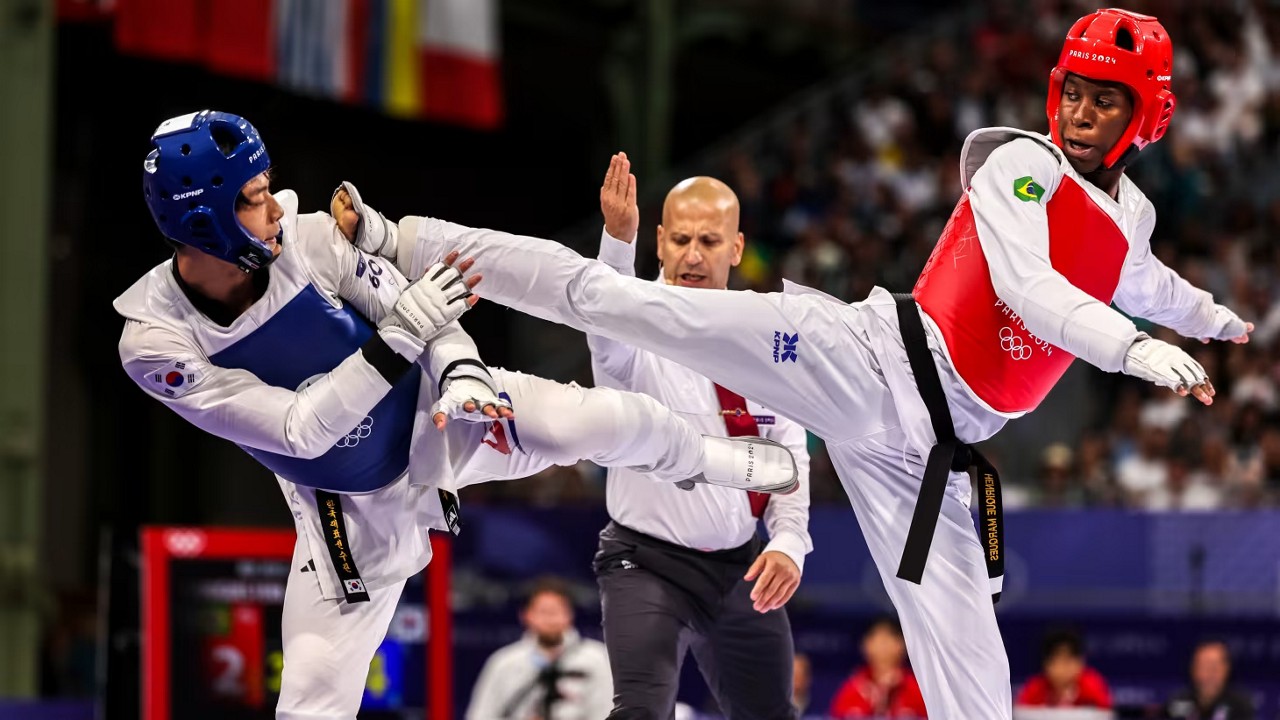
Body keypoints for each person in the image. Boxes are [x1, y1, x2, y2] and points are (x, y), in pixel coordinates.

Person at [361, 9, 1256, 717]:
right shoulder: (1019, 166)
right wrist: (1134, 349)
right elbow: (1029, 290)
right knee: (626, 300)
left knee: (967, 649)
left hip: (929, 452)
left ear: (1149, 114)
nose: (1081, 113)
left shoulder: (1128, 215)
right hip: (866, 362)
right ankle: (408, 238)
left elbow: (1140, 277)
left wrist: (1213, 318)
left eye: (1106, 99)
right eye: (1074, 92)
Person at [115, 111, 800, 720]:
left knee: (604, 419)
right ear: (201, 219)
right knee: (313, 697)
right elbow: (301, 429)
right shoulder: (156, 344)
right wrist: (401, 338)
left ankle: (715, 460)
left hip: (439, 410)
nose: (275, 209)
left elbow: (423, 309)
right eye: (253, 198)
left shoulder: (311, 237)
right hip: (344, 505)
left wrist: (463, 371)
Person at [337, 168, 811, 720]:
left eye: (709, 241)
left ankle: (395, 242)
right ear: (661, 241)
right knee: (639, 711)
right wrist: (617, 242)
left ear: (737, 247)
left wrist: (789, 543)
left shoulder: (769, 341)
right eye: (680, 239)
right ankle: (392, 241)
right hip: (647, 563)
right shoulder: (639, 318)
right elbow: (604, 318)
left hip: (741, 566)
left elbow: (790, 456)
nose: (693, 256)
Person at [465, 578, 612, 720]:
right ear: (526, 615)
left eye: (556, 611)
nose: (550, 619)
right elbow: (480, 715)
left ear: (569, 614)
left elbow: (606, 713)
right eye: (543, 612)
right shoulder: (504, 662)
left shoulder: (596, 658)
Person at [828, 617, 927, 719]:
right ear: (866, 645)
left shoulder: (918, 689)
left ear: (902, 644)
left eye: (888, 638)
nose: (883, 646)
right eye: (877, 639)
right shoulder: (851, 689)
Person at [1015, 629, 1111, 709]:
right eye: (1055, 661)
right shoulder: (1035, 688)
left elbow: (1104, 711)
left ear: (1080, 661)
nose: (1061, 669)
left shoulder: (1093, 685)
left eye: (1067, 661)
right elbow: (1022, 711)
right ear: (1045, 664)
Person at [1166, 641, 1255, 720]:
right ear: (1193, 669)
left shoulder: (1240, 706)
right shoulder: (1179, 702)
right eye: (1204, 666)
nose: (1210, 674)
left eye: (1214, 667)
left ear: (1226, 669)